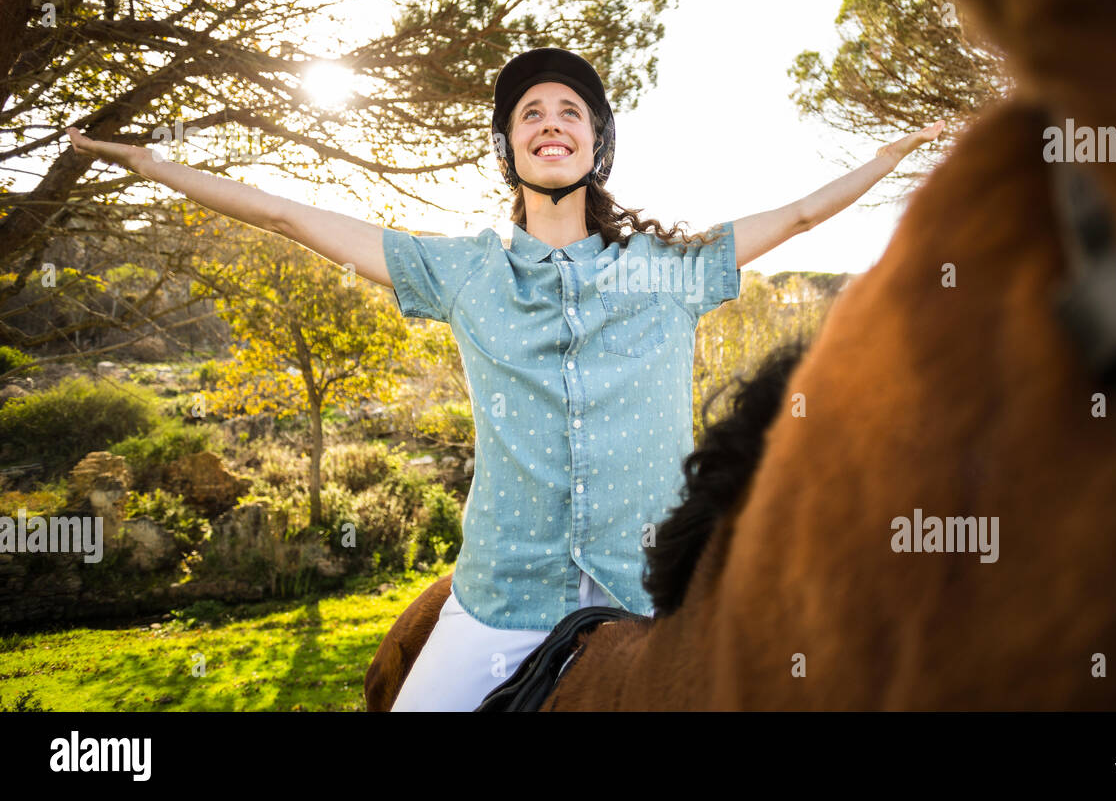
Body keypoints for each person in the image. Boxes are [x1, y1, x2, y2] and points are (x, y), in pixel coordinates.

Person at [66, 47, 942, 710]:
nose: (552, 121)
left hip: (655, 592)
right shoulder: (460, 272)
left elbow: (796, 214)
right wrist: (155, 165)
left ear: (597, 143)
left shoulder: (669, 268)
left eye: (572, 110)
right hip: (503, 594)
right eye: (531, 112)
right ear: (508, 145)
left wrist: (891, 157)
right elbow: (286, 213)